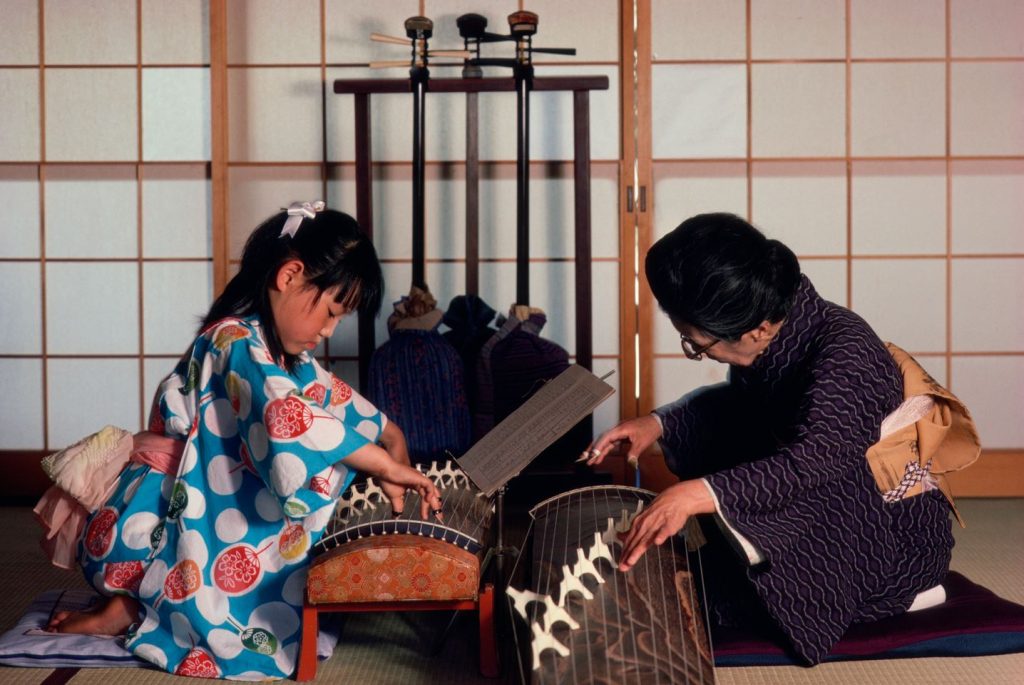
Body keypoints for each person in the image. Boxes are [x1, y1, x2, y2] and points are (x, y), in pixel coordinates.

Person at [39, 202, 443, 679]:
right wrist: (384, 466)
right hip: (143, 525)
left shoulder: (280, 354)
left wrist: (392, 443)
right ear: (290, 275)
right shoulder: (233, 340)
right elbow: (290, 418)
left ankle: (141, 607)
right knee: (291, 501)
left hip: (181, 517)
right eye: (331, 312)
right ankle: (149, 604)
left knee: (312, 479)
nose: (330, 330)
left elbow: (348, 412)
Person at [583, 212, 961, 665]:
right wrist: (657, 424)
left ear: (759, 328)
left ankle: (887, 593)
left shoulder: (844, 352)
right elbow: (737, 408)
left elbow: (817, 462)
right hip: (836, 497)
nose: (694, 352)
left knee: (730, 602)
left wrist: (696, 494)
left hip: (888, 540)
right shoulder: (778, 331)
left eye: (697, 345)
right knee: (732, 440)